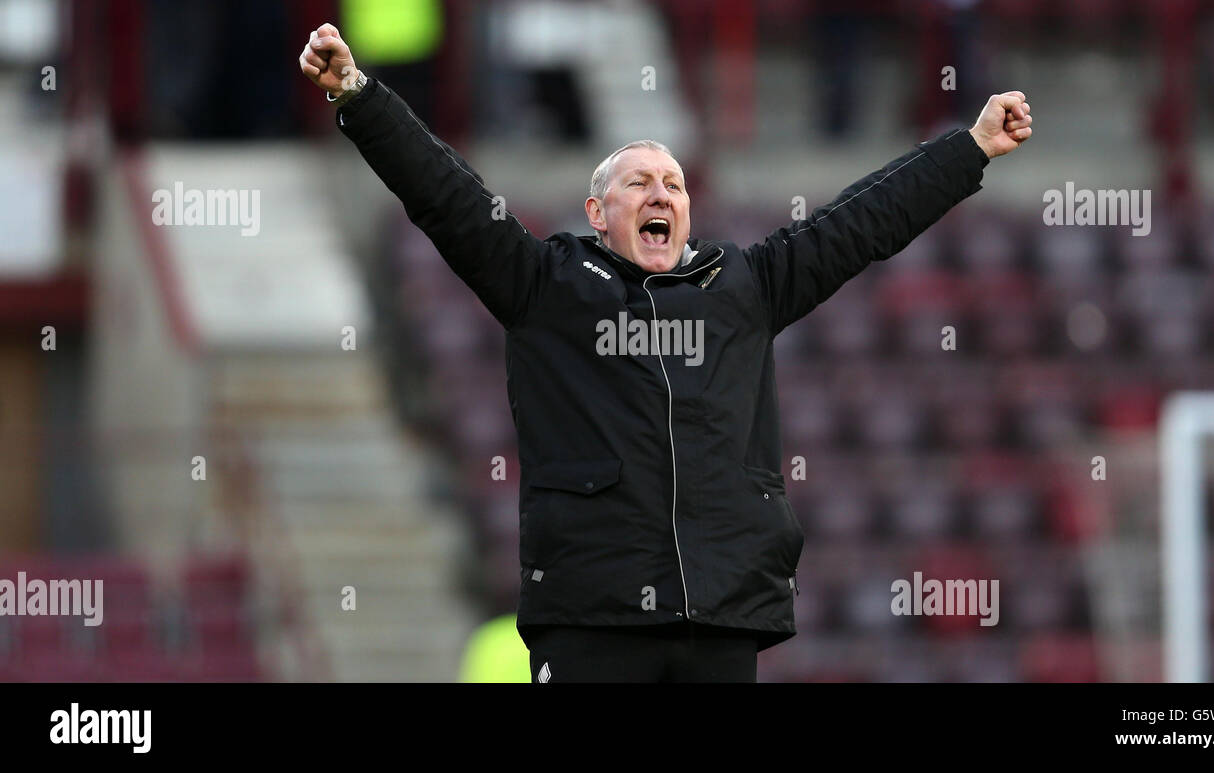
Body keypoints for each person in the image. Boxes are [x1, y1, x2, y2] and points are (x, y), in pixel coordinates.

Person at [298, 22, 1032, 683]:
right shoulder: (547, 287)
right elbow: (445, 195)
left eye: (674, 183)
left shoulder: (745, 285)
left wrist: (968, 147)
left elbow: (862, 221)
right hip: (592, 617)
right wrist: (359, 96)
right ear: (598, 213)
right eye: (639, 181)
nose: (661, 191)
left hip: (720, 620)